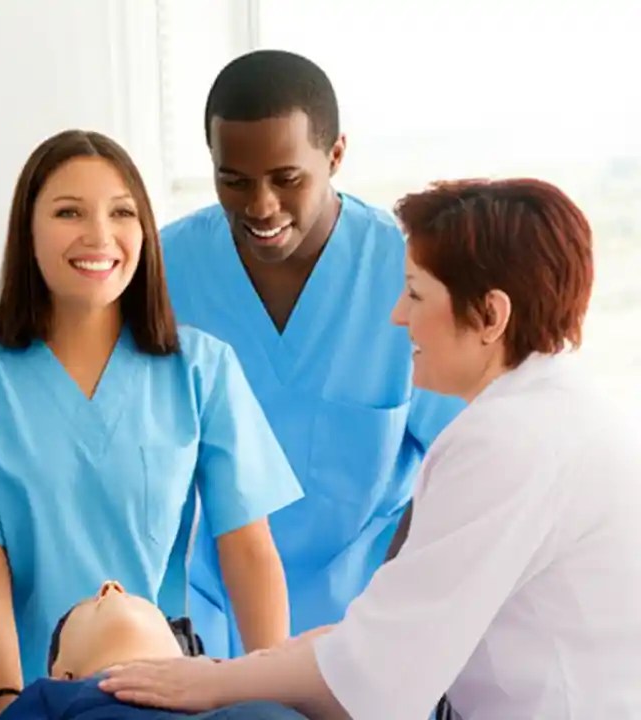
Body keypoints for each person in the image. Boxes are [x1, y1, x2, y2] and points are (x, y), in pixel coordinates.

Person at [100, 178, 641, 719]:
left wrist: (214, 684)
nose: (397, 316)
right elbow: (388, 637)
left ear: (491, 316)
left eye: (416, 293)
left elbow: (375, 677)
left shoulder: (509, 442)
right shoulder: (562, 408)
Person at [0, 129, 303, 720]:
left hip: (159, 694)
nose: (99, 236)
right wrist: (7, 706)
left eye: (121, 213)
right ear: (29, 232)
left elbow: (249, 551)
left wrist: (275, 697)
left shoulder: (200, 369)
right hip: (11, 690)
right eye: (69, 212)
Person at [160, 49, 465, 657]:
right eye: (234, 180)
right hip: (212, 617)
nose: (260, 206)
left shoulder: (405, 272)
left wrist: (394, 602)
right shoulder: (166, 270)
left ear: (336, 156)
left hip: (371, 615)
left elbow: (460, 460)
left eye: (287, 179)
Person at [0, 581, 307, 720]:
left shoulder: (247, 684)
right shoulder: (48, 698)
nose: (111, 587)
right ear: (63, 676)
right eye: (89, 606)